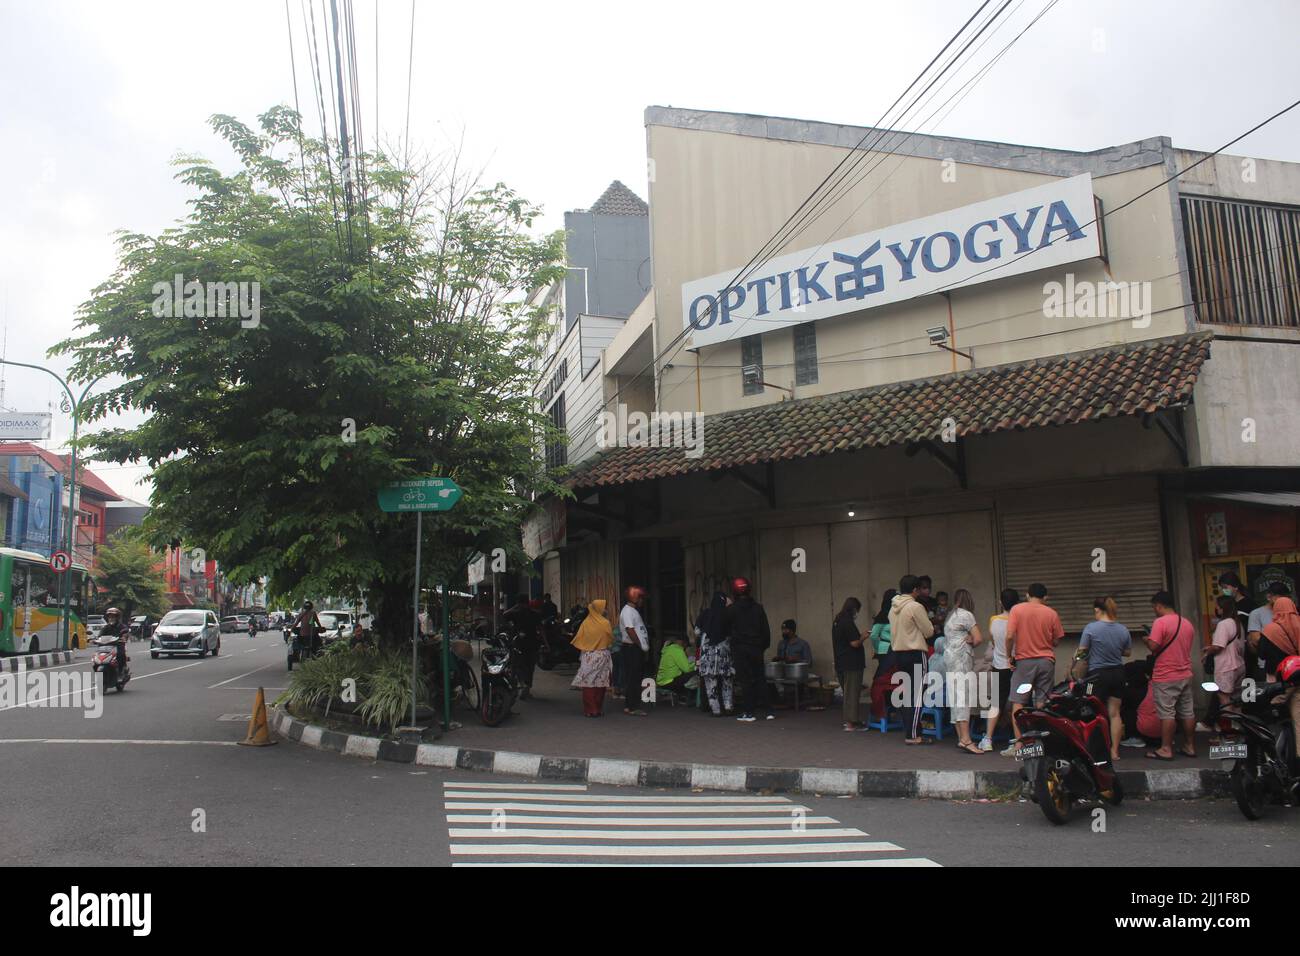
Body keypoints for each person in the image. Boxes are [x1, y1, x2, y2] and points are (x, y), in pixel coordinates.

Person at [1004, 582, 1064, 756]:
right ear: (1045, 597)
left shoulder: (1017, 610)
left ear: (1027, 595)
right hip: (1046, 662)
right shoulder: (1051, 613)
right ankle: (1040, 744)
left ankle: (1019, 744)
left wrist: (1010, 656)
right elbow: (1056, 641)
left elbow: (1009, 636)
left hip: (1024, 663)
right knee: (1041, 703)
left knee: (1018, 701)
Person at [1077, 596, 1132, 761]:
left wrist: (1078, 667)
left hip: (1096, 677)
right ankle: (1114, 751)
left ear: (1097, 610)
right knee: (1114, 713)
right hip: (1118, 673)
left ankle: (1094, 749)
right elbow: (1127, 652)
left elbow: (1082, 653)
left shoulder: (1091, 628)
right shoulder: (1123, 629)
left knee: (1090, 710)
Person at [1144, 591, 1197, 761]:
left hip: (1166, 675)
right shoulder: (1187, 623)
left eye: (1154, 607)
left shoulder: (1160, 622)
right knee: (1187, 711)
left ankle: (1166, 748)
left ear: (1159, 605)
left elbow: (1154, 646)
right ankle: (1190, 745)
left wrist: (1146, 639)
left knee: (1167, 713)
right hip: (1185, 673)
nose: (1154, 610)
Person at [889, 575, 934, 744]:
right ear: (915, 589)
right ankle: (913, 734)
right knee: (917, 695)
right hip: (915, 652)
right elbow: (929, 631)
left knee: (907, 694)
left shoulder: (892, 607)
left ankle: (912, 730)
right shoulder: (915, 606)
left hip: (898, 654)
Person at [1255, 595, 1300, 759]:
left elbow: (1262, 653)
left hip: (1277, 679)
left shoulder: (1270, 629)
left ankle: (1271, 755)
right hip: (1297, 678)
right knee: (1298, 719)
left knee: (1272, 710)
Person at [942, 589, 984, 755]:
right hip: (961, 660)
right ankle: (966, 740)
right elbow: (979, 638)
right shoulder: (967, 615)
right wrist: (972, 641)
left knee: (955, 697)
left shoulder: (950, 616)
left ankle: (961, 737)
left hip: (949, 660)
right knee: (963, 697)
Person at [724, 577, 773, 722]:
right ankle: (769, 711)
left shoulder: (731, 610)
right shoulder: (758, 608)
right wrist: (762, 646)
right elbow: (766, 630)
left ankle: (749, 712)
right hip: (756, 648)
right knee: (760, 678)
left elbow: (726, 629)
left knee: (745, 680)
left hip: (740, 649)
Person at [978, 588, 1018, 752]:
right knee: (1018, 704)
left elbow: (993, 642)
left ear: (1001, 602)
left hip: (998, 665)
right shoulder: (1020, 620)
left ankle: (987, 739)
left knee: (996, 703)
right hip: (1017, 666)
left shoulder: (993, 620)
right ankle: (1018, 740)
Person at [1205, 594, 1245, 736]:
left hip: (1226, 665)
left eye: (1217, 606)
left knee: (1224, 699)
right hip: (1239, 665)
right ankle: (1239, 727)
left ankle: (1228, 731)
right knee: (1236, 699)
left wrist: (1207, 650)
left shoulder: (1223, 624)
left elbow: (1219, 646)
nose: (1216, 608)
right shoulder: (1237, 622)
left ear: (1222, 608)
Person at [570, 599, 613, 717]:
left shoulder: (586, 623)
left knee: (588, 684)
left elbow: (579, 639)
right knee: (601, 683)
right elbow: (610, 639)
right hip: (603, 656)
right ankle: (598, 709)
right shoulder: (605, 623)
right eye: (604, 607)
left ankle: (590, 710)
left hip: (589, 657)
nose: (605, 610)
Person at [696, 591, 734, 717]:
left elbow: (696, 631)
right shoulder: (728, 614)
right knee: (727, 681)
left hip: (708, 656)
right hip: (724, 655)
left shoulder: (705, 613)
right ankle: (728, 706)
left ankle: (716, 709)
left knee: (711, 683)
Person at [832, 598, 866, 731]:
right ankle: (851, 723)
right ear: (853, 609)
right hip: (852, 663)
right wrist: (863, 636)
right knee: (852, 694)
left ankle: (850, 721)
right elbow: (855, 643)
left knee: (847, 694)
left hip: (841, 662)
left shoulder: (837, 621)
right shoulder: (848, 622)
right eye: (857, 610)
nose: (857, 613)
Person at [619, 586, 651, 716]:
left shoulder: (632, 611)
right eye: (641, 598)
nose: (642, 601)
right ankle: (633, 707)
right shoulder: (628, 612)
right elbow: (630, 630)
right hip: (632, 648)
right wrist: (640, 644)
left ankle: (629, 705)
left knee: (633, 676)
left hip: (633, 648)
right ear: (635, 598)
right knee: (634, 677)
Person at [503, 594, 541, 700]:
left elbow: (504, 614)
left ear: (518, 603)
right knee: (530, 667)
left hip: (518, 643)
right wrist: (546, 644)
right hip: (533, 644)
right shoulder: (535, 614)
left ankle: (520, 685)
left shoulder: (515, 613)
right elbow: (541, 629)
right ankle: (527, 689)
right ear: (527, 602)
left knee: (517, 665)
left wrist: (515, 607)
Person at [656, 634, 697, 700]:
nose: (685, 648)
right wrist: (696, 664)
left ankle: (682, 695)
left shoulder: (668, 649)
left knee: (684, 674)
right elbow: (686, 669)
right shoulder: (678, 650)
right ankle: (688, 697)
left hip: (661, 682)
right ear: (683, 643)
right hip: (669, 683)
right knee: (695, 673)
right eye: (686, 646)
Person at [99, 607, 129, 676]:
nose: (111, 618)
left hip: (118, 645)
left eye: (113, 617)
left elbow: (125, 632)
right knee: (97, 657)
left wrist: (124, 637)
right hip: (106, 646)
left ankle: (121, 672)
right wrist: (93, 640)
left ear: (117, 617)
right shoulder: (106, 627)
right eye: (109, 617)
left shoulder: (121, 626)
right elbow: (100, 635)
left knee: (121, 654)